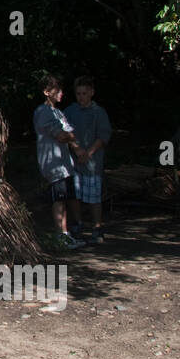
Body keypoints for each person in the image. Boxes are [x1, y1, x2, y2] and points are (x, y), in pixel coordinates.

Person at [33, 73, 85, 249]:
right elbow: (63, 135)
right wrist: (70, 137)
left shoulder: (58, 112)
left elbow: (70, 134)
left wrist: (72, 141)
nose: (61, 93)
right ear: (47, 92)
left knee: (67, 197)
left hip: (65, 164)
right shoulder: (43, 112)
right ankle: (60, 235)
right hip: (53, 164)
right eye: (57, 90)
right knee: (59, 199)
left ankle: (66, 233)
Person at [64, 76, 113, 244]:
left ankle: (97, 227)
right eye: (78, 93)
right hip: (74, 160)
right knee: (74, 195)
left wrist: (89, 152)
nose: (81, 97)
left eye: (84, 93)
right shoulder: (70, 111)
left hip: (93, 161)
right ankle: (78, 224)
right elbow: (65, 132)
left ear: (91, 92)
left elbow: (103, 135)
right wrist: (76, 149)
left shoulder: (98, 112)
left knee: (94, 196)